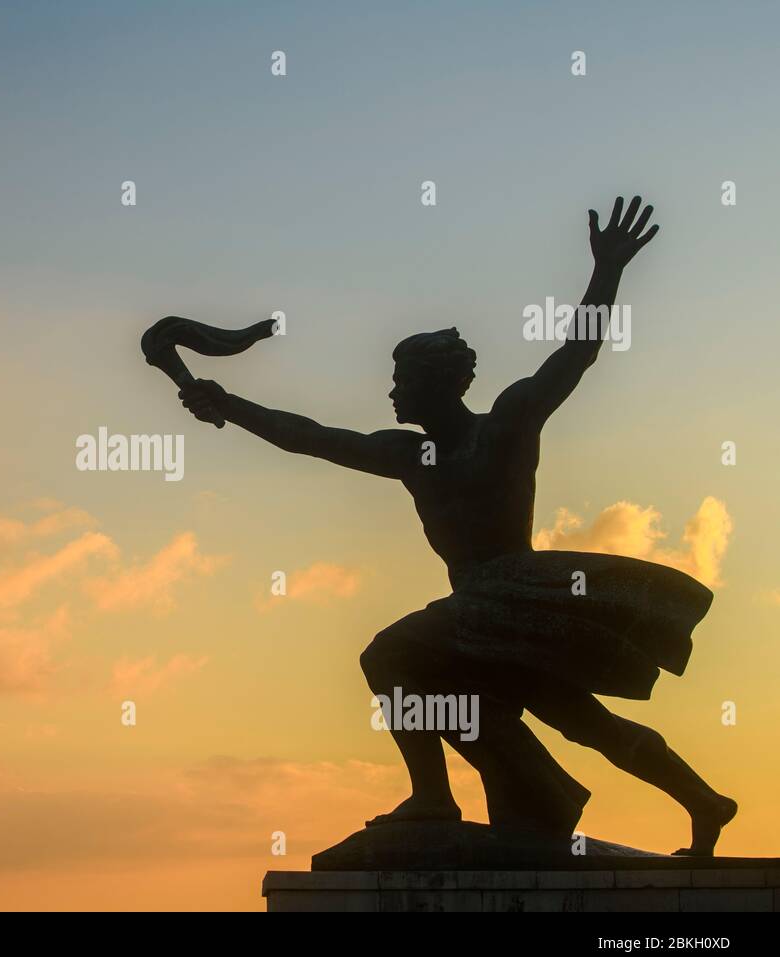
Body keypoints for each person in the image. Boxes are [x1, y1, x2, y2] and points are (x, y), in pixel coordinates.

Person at [174, 197, 736, 855]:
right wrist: (228, 404)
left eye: (399, 380)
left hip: (511, 592)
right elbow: (310, 437)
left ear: (433, 383)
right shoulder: (408, 454)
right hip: (485, 608)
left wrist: (605, 270)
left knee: (390, 654)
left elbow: (576, 352)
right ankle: (704, 800)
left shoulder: (505, 425)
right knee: (578, 716)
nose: (391, 393)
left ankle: (434, 794)